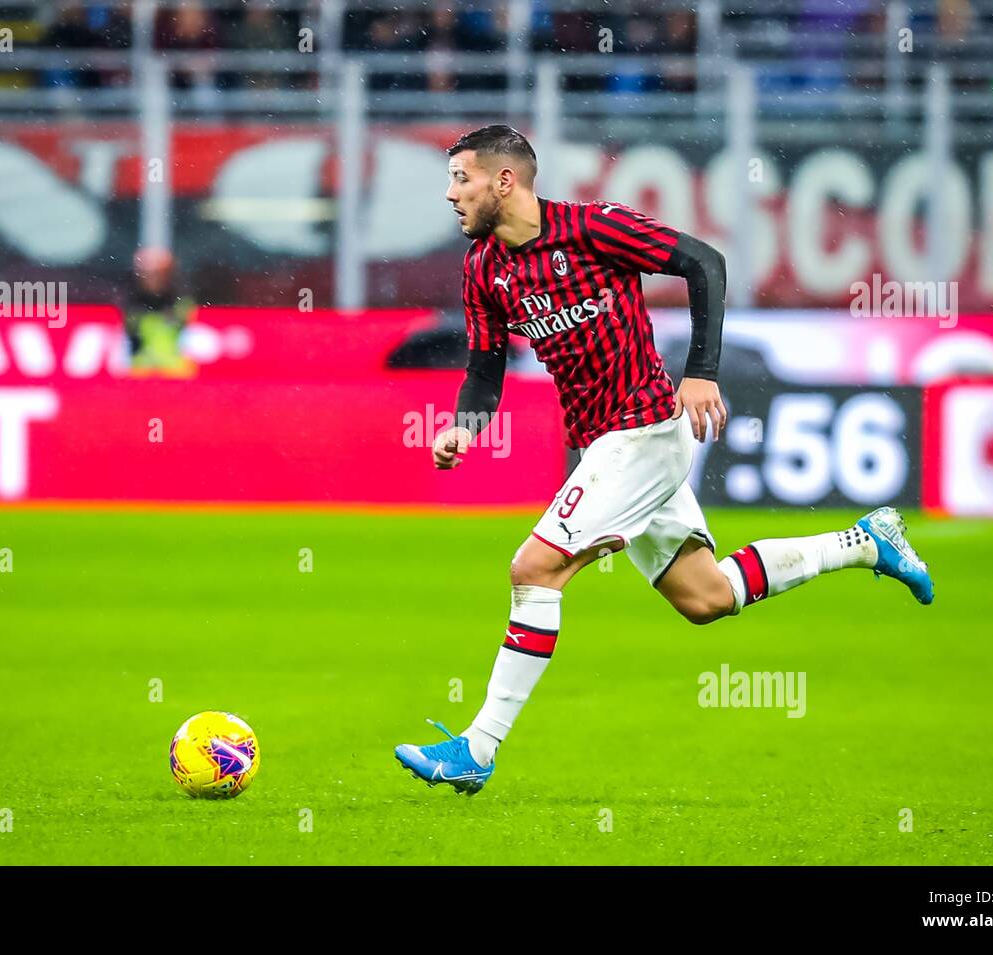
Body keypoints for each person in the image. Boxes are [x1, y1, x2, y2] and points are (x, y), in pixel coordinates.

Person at [394, 125, 934, 794]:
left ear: (505, 181)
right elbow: (485, 365)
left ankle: (478, 747)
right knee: (708, 597)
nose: (451, 194)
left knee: (534, 567)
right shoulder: (484, 269)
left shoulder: (593, 229)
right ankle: (866, 541)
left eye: (461, 178)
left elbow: (703, 261)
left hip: (646, 428)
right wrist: (463, 426)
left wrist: (700, 371)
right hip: (601, 441)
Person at [122, 247, 196, 377]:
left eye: (156, 274)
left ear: (168, 274)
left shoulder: (181, 303)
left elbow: (191, 341)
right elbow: (126, 344)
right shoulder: (130, 304)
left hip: (177, 374)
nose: (151, 279)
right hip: (140, 374)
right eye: (145, 273)